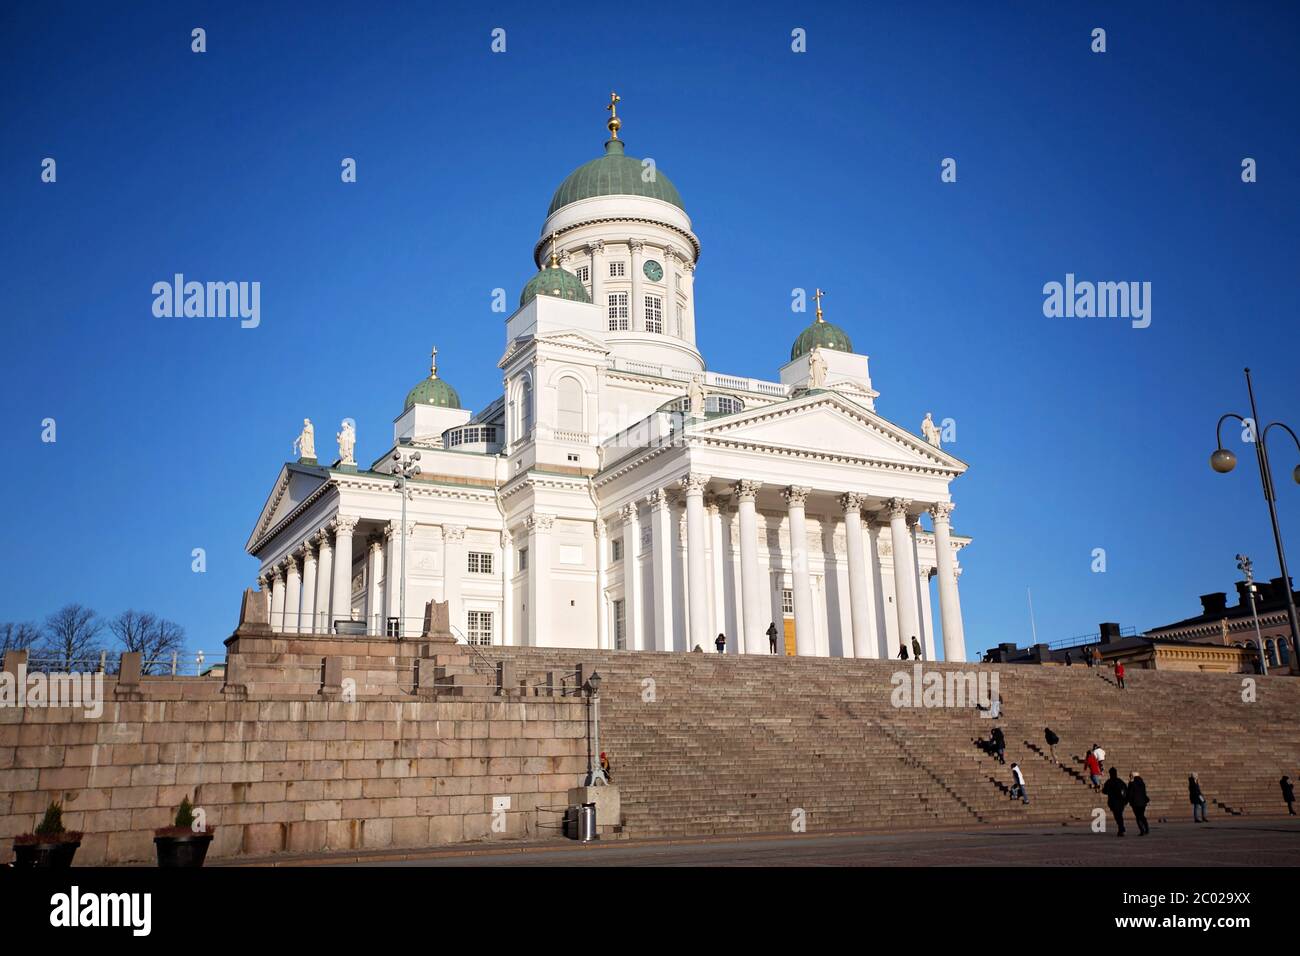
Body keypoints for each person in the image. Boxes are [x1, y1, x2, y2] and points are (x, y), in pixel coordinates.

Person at [1102, 767, 1128, 836]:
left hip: (1113, 802)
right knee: (1119, 815)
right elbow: (1126, 790)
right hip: (1121, 802)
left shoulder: (1109, 782)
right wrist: (1125, 801)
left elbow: (1104, 791)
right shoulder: (1120, 781)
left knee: (1117, 816)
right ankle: (1121, 828)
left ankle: (1121, 829)